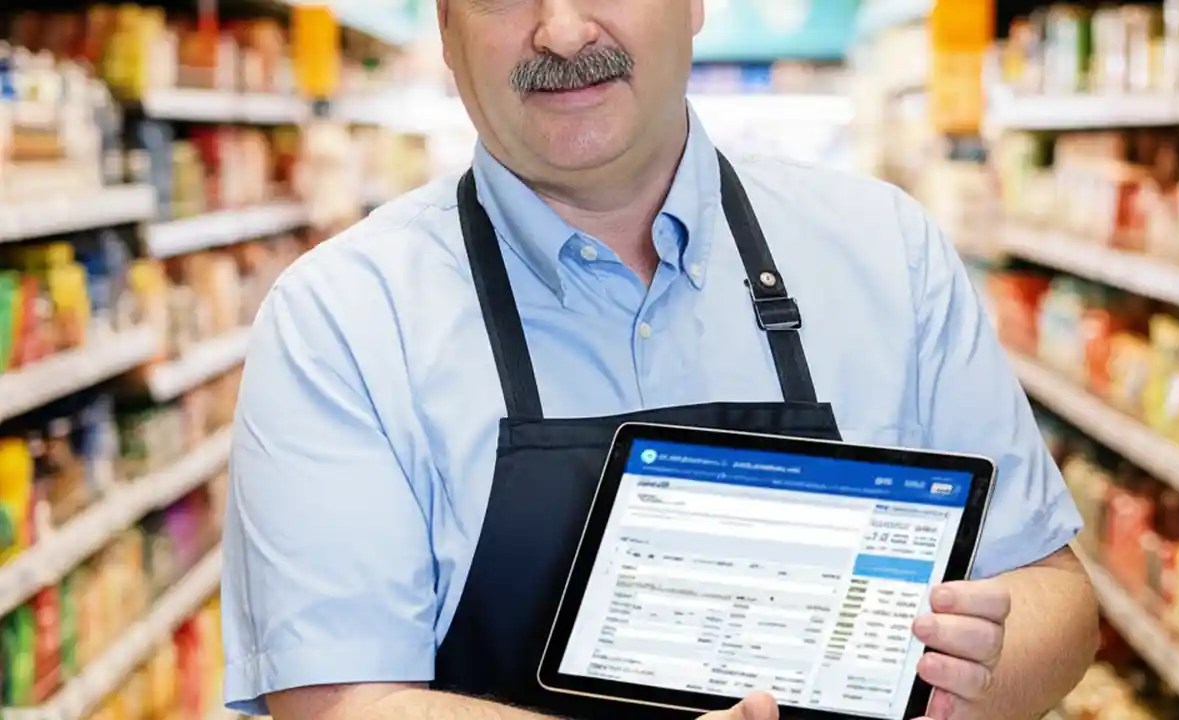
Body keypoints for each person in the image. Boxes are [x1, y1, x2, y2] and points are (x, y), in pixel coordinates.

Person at [220, 1, 1100, 719]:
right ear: (444, 30)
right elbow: (338, 703)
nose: (561, 31)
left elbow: (1057, 598)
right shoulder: (340, 318)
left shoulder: (888, 254)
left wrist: (972, 676)